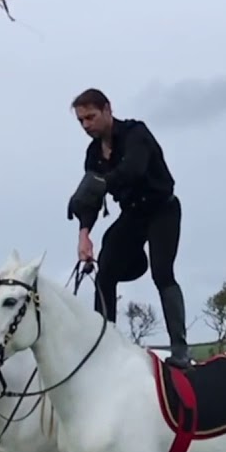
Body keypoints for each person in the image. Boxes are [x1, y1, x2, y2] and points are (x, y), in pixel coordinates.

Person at [65, 88, 193, 369]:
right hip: (132, 214)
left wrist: (97, 183)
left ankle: (181, 351)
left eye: (91, 117)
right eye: (81, 121)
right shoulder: (93, 153)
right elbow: (92, 201)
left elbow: (133, 169)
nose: (86, 125)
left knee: (163, 272)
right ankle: (105, 345)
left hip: (162, 210)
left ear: (107, 109)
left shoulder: (136, 133)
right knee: (105, 272)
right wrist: (84, 234)